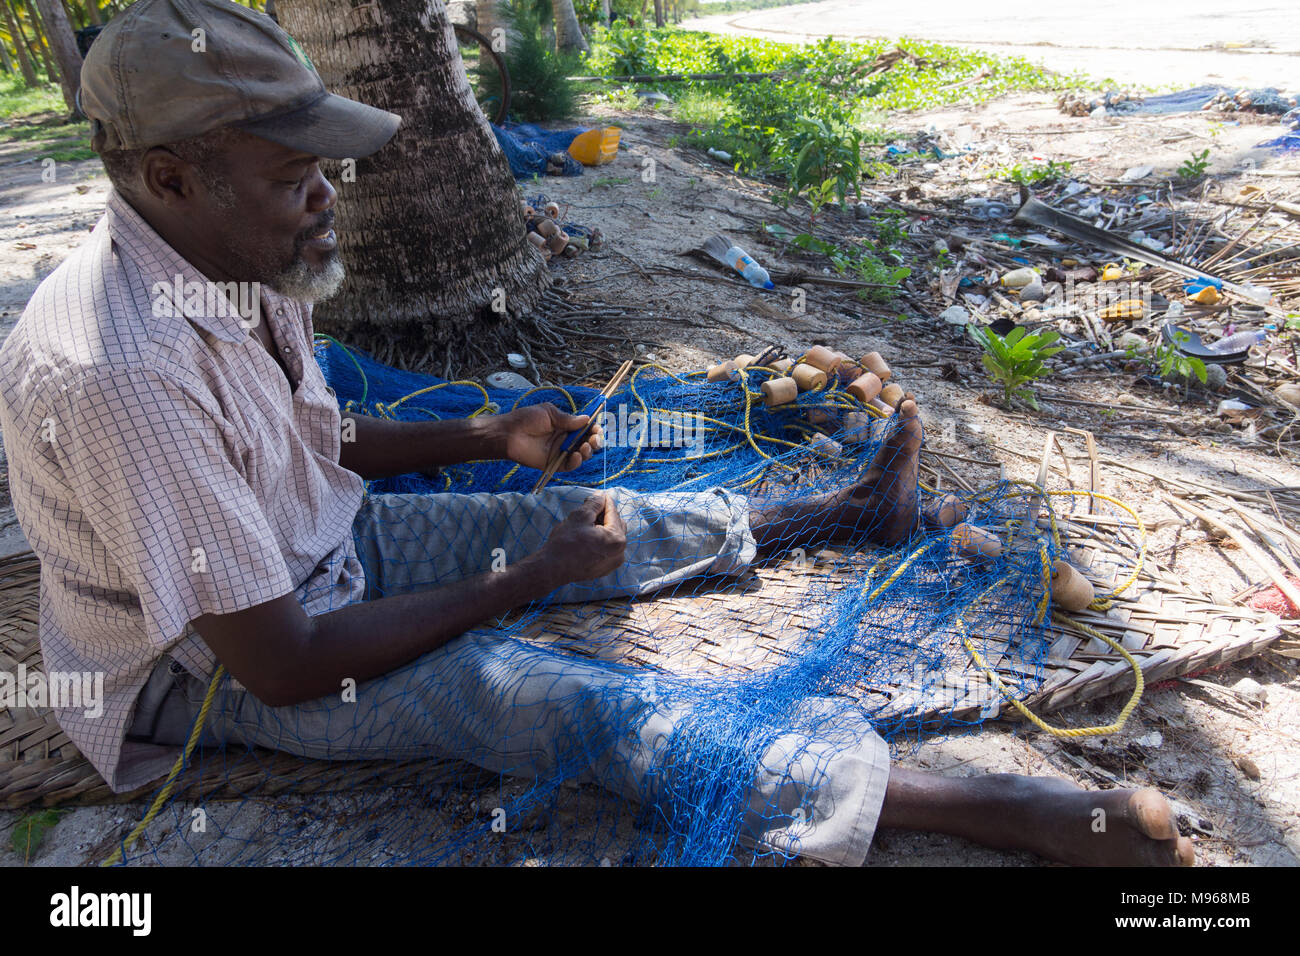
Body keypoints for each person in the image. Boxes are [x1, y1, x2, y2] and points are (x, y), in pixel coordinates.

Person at [0, 0, 1191, 867]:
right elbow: (286, 661)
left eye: (324, 169)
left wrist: (486, 435)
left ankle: (833, 514)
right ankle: (958, 803)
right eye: (294, 175)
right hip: (208, 667)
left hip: (305, 551)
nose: (327, 195)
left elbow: (307, 438)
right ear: (167, 174)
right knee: (543, 697)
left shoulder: (226, 250)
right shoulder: (121, 370)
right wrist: (525, 580)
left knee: (564, 513)